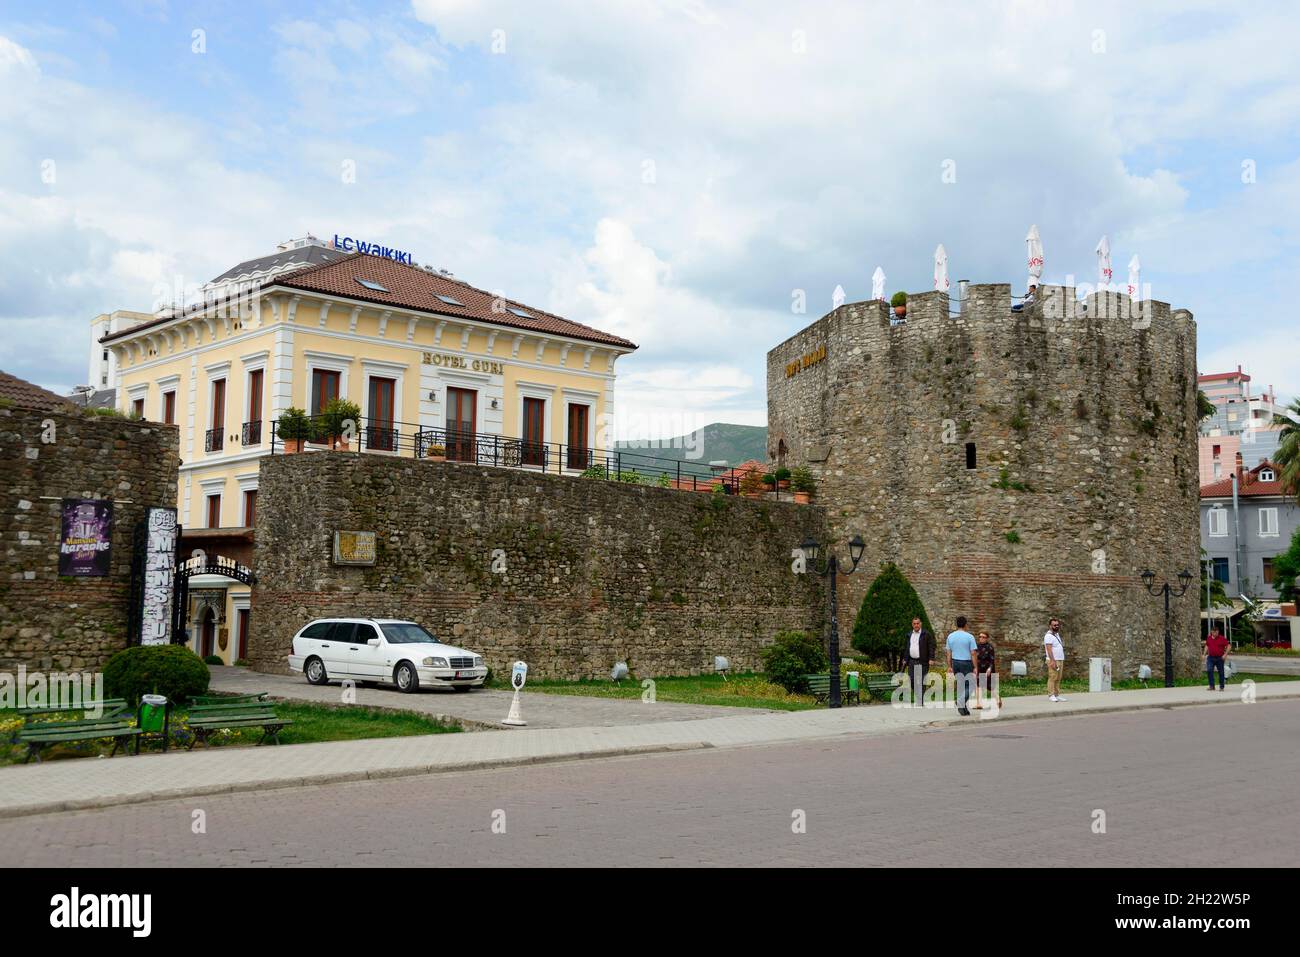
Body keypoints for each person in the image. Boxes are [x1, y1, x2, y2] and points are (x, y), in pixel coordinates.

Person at [945, 616, 978, 716]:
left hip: (955, 662)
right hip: (966, 663)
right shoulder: (969, 637)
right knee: (971, 685)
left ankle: (963, 709)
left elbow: (948, 653)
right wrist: (975, 667)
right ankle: (960, 701)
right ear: (965, 624)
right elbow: (973, 653)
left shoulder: (950, 636)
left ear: (956, 624)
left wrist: (949, 666)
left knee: (961, 686)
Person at [902, 616, 935, 707]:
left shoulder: (926, 634)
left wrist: (931, 658)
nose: (916, 625)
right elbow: (907, 648)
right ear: (912, 625)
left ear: (920, 624)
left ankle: (920, 700)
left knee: (921, 681)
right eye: (914, 624)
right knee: (912, 680)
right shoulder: (909, 634)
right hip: (912, 661)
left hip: (923, 661)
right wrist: (905, 659)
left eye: (918, 623)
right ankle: (919, 697)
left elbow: (931, 647)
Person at [973, 631, 999, 710]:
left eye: (983, 637)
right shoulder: (976, 646)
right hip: (979, 668)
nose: (981, 638)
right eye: (980, 636)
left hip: (988, 669)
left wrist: (990, 668)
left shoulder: (990, 647)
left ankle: (998, 699)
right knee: (978, 686)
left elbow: (992, 659)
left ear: (987, 638)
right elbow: (974, 658)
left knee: (990, 687)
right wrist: (974, 668)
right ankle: (979, 704)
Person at [1044, 618, 1066, 702]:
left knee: (1058, 678)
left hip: (1060, 659)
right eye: (1054, 625)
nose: (1056, 626)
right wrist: (1052, 661)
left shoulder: (1056, 635)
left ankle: (1057, 694)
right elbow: (1049, 649)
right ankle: (1051, 695)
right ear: (1050, 626)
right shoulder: (1048, 636)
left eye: (1057, 625)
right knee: (1052, 677)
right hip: (1053, 660)